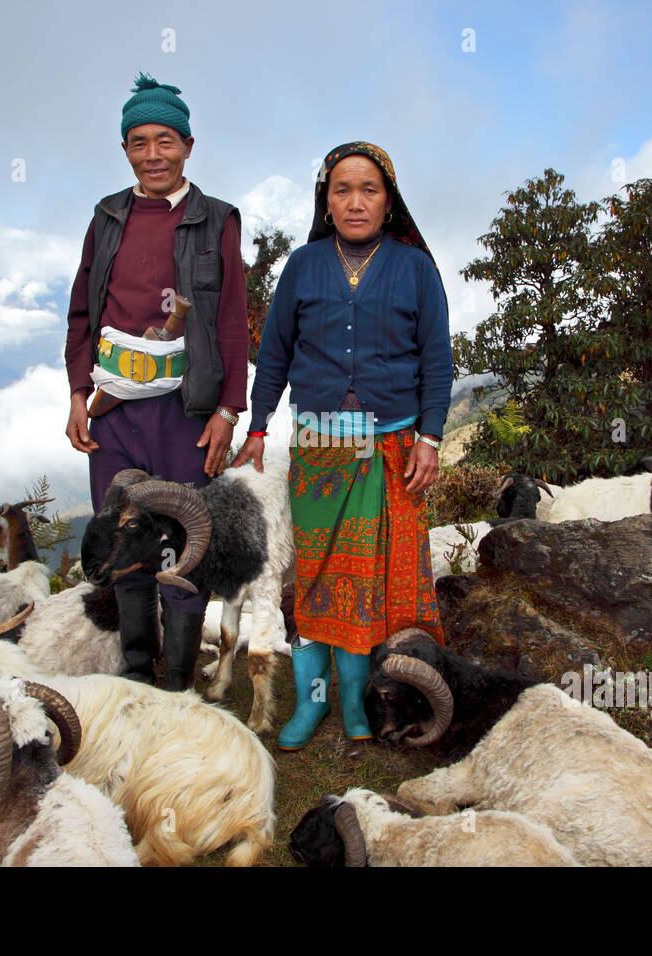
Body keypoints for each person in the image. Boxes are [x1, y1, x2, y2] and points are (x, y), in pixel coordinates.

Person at [232, 141, 452, 750]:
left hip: (391, 447)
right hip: (320, 448)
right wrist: (257, 426)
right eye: (342, 190)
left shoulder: (414, 269)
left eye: (369, 190)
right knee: (318, 578)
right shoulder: (303, 266)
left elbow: (437, 359)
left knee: (373, 582)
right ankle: (311, 703)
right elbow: (274, 353)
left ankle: (358, 703)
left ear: (389, 201)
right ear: (325, 202)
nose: (355, 202)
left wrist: (429, 437)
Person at [64, 73, 249, 691]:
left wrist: (227, 409)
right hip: (115, 410)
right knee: (124, 537)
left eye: (164, 141)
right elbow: (83, 311)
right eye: (139, 142)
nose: (152, 155)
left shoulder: (216, 220)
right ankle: (137, 674)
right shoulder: (108, 216)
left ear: (188, 146)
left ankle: (178, 679)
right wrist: (75, 398)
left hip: (183, 409)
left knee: (183, 539)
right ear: (125, 150)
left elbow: (228, 318)